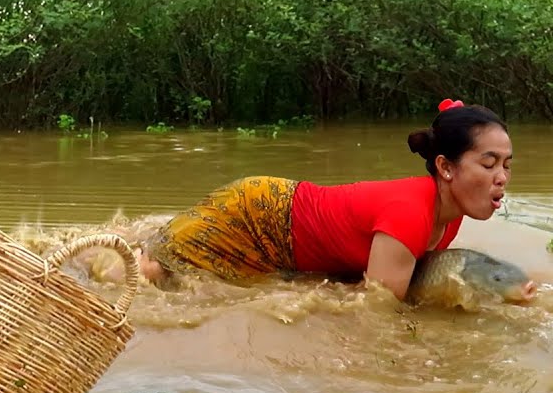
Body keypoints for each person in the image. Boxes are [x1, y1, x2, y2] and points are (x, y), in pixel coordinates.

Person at [138, 100, 519, 300]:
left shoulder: (450, 216)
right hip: (257, 214)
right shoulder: (411, 213)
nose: (501, 177)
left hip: (283, 224)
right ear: (446, 168)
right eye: (488, 163)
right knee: (154, 274)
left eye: (506, 164)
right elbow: (377, 308)